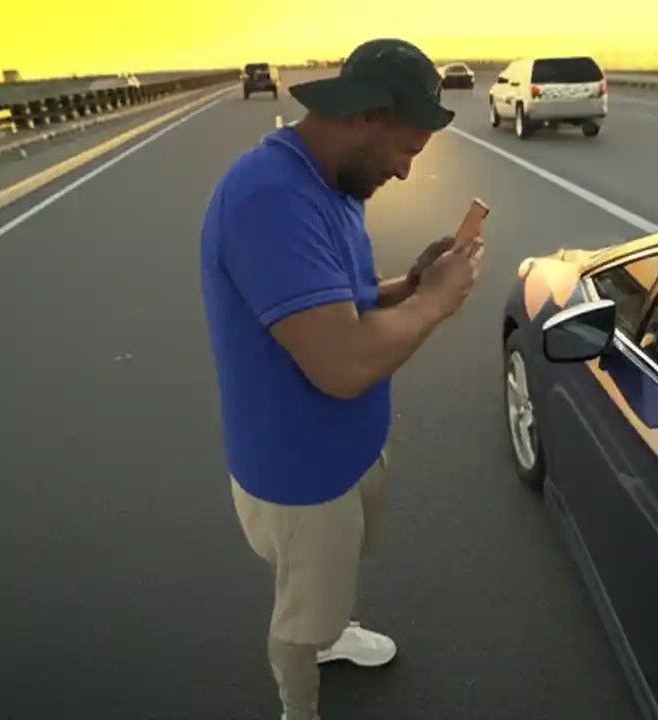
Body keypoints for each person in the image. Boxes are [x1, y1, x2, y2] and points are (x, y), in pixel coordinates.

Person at [198, 38, 485, 720]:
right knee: (302, 614)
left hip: (349, 448)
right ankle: (300, 702)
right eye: (406, 150)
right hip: (299, 470)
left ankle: (331, 632)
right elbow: (343, 365)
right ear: (366, 117)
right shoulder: (270, 198)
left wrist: (406, 286)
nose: (407, 172)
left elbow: (339, 301)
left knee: (333, 579)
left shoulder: (332, 181)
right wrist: (436, 301)